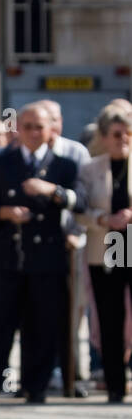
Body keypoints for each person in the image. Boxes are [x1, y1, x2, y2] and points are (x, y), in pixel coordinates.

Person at [0, 103, 83, 404]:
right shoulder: (1, 162)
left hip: (48, 258)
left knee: (42, 325)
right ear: (17, 129)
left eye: (39, 127)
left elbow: (79, 201)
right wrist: (5, 212)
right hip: (9, 256)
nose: (33, 133)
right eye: (27, 126)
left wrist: (50, 190)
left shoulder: (64, 165)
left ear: (50, 130)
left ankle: (36, 385)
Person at [81, 108, 132, 402]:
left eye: (127, 133)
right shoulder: (91, 169)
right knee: (110, 318)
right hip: (108, 245)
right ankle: (114, 384)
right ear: (104, 137)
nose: (123, 138)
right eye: (116, 134)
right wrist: (103, 219)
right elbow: (80, 211)